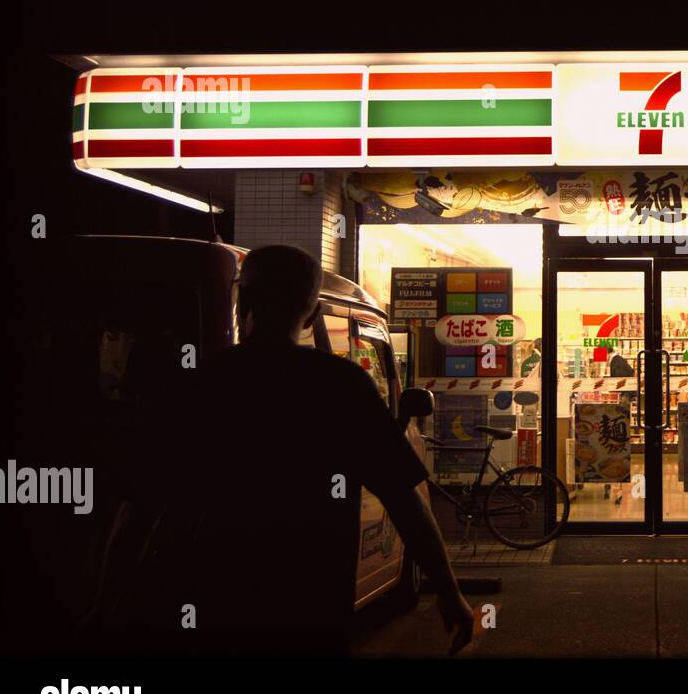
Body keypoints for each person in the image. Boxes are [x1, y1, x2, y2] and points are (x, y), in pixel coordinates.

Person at [87, 245, 473, 656]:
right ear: (311, 314)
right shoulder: (341, 387)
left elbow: (139, 509)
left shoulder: (198, 386)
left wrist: (103, 604)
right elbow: (406, 501)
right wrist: (451, 595)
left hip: (213, 604)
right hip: (311, 606)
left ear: (244, 301)